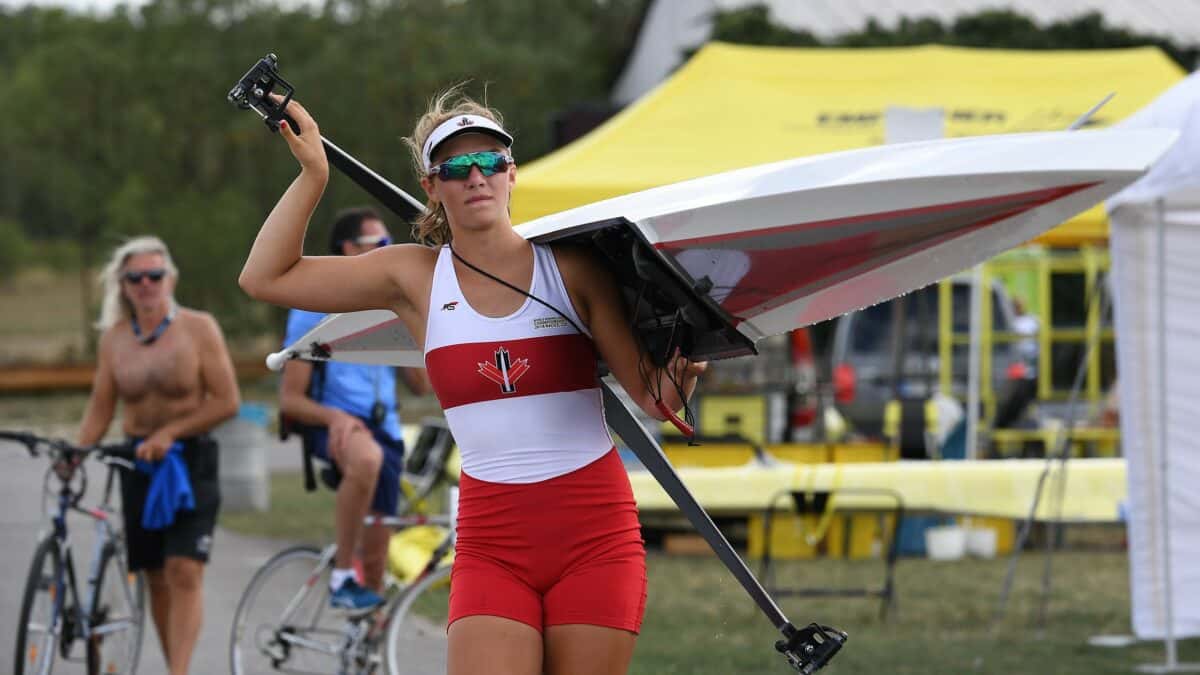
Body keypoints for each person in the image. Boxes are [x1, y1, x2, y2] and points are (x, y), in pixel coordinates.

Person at [239, 89, 706, 675]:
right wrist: (313, 174)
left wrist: (685, 373)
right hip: (493, 542)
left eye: (490, 162)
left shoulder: (572, 268)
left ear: (512, 174)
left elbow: (653, 398)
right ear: (433, 187)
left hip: (594, 535)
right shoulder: (412, 277)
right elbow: (265, 277)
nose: (475, 176)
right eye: (456, 167)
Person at [79, 235, 240, 675]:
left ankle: (179, 672)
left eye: (155, 275)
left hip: (190, 459)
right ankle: (177, 667)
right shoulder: (114, 340)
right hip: (139, 464)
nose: (146, 284)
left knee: (184, 568)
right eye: (136, 278)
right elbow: (100, 407)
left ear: (171, 279)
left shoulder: (199, 328)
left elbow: (226, 401)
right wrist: (75, 453)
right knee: (154, 575)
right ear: (123, 285)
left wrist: (171, 431)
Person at [279, 206, 429, 610]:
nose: (387, 252)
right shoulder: (312, 305)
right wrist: (336, 417)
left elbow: (422, 384)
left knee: (379, 563)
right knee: (366, 459)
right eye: (377, 244)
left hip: (387, 427)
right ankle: (343, 574)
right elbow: (290, 398)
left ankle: (365, 649)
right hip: (333, 424)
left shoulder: (389, 304)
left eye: (389, 244)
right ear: (348, 249)